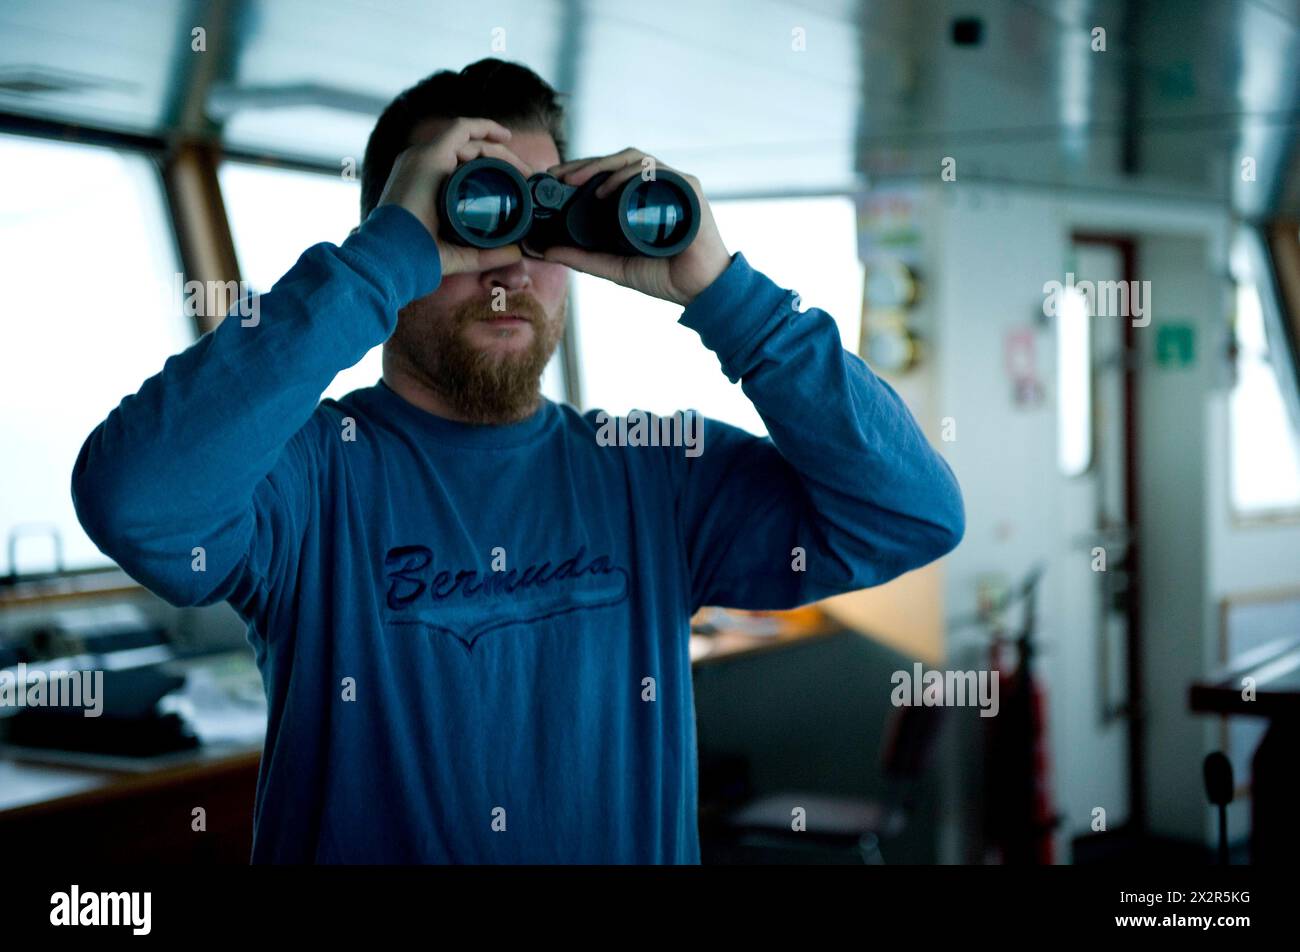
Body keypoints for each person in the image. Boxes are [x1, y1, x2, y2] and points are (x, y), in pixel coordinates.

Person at [71, 58, 965, 863]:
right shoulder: (311, 479)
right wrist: (378, 264)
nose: (508, 264)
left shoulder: (652, 474)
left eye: (542, 225)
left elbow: (911, 514)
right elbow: (138, 501)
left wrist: (724, 289)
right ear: (399, 234)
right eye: (475, 211)